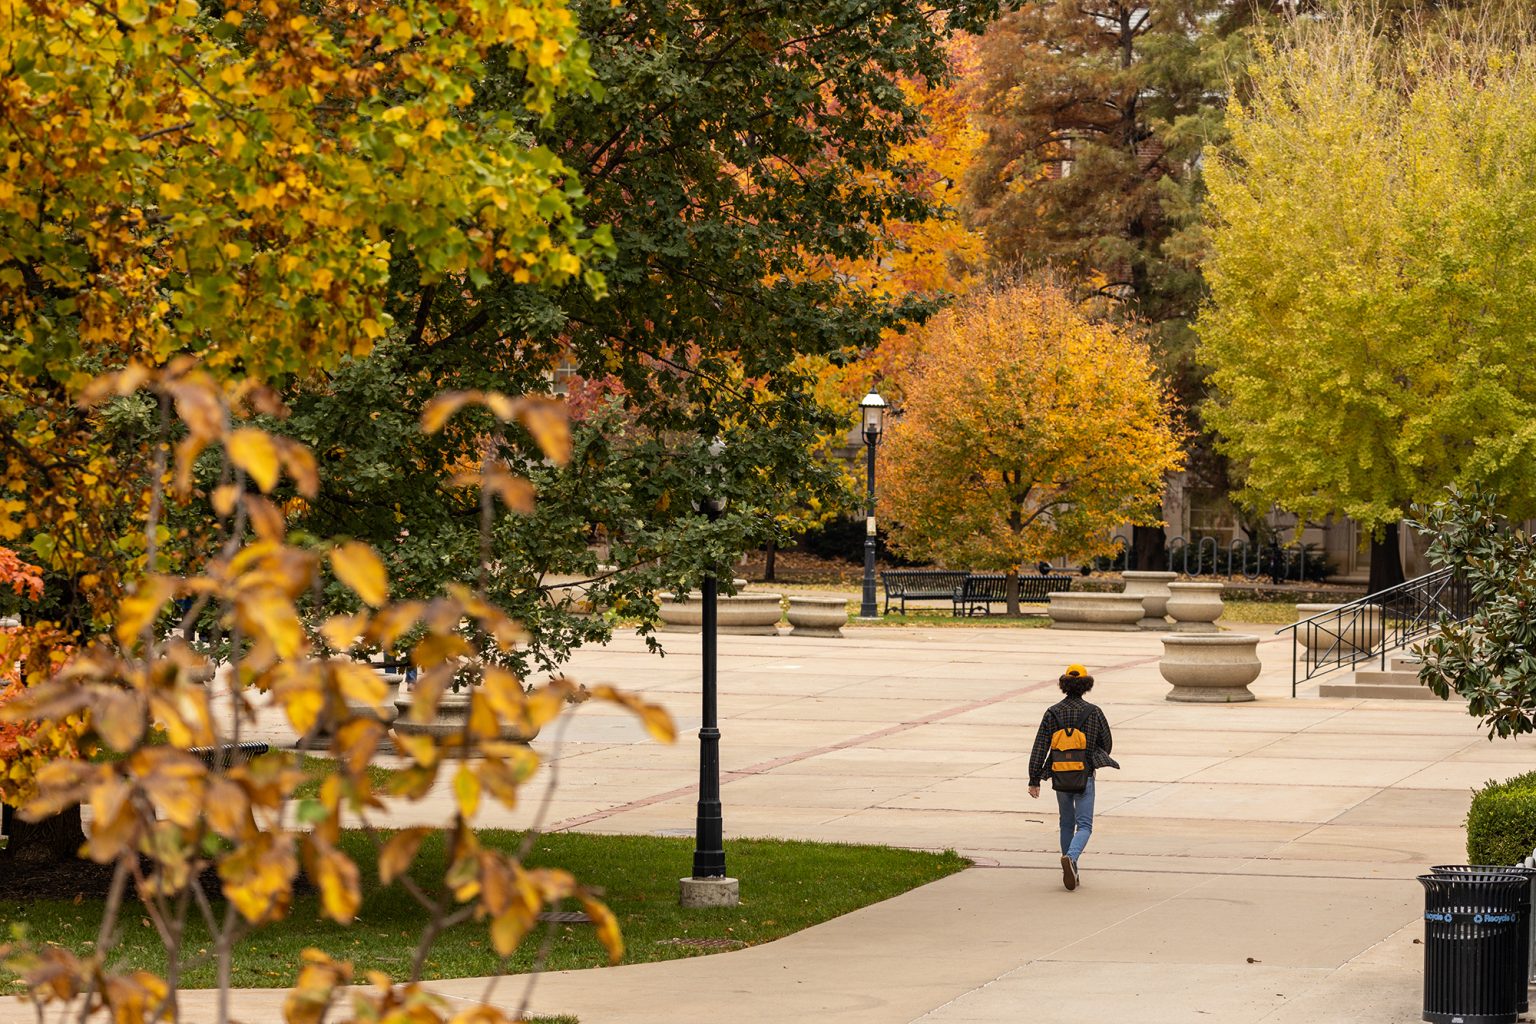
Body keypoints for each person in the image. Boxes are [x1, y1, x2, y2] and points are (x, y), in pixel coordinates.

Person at [1028, 664, 1117, 891]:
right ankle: (1072, 857)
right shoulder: (1094, 712)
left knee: (1066, 823)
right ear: (1086, 685)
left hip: (1060, 776)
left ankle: (1069, 865)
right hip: (1084, 773)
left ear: (1064, 684)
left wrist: (1034, 779)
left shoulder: (1052, 712)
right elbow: (1107, 743)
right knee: (1084, 825)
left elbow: (1040, 746)